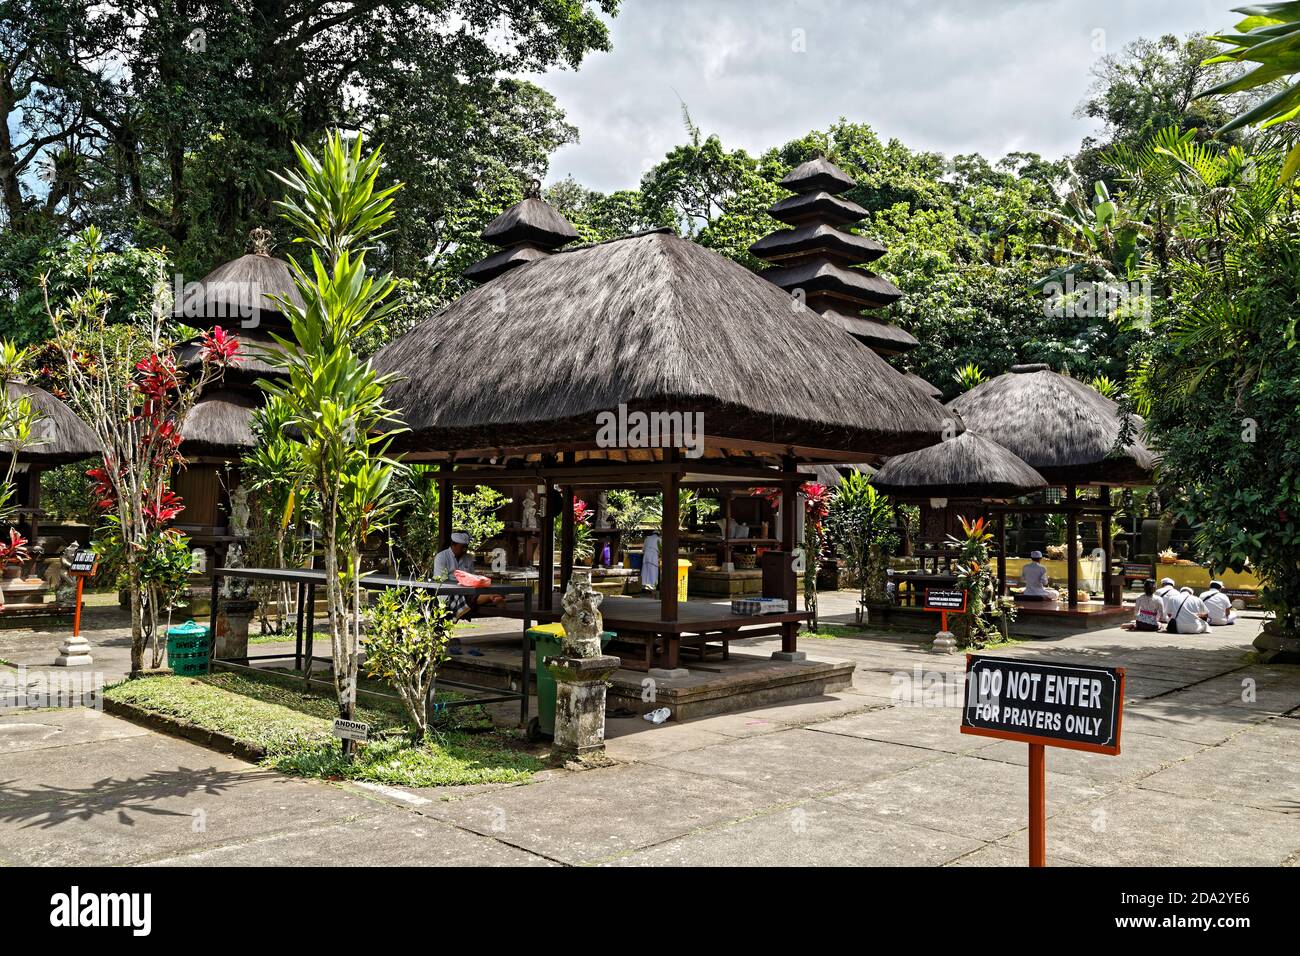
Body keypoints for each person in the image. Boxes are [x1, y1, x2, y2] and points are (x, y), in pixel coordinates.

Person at [432, 531, 504, 619]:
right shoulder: (441, 557)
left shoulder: (468, 558)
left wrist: (478, 578)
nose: (464, 550)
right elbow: (440, 580)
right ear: (453, 545)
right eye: (462, 547)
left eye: (465, 548)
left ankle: (493, 596)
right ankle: (491, 596)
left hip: (468, 589)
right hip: (449, 593)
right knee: (468, 596)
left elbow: (471, 577)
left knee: (480, 590)